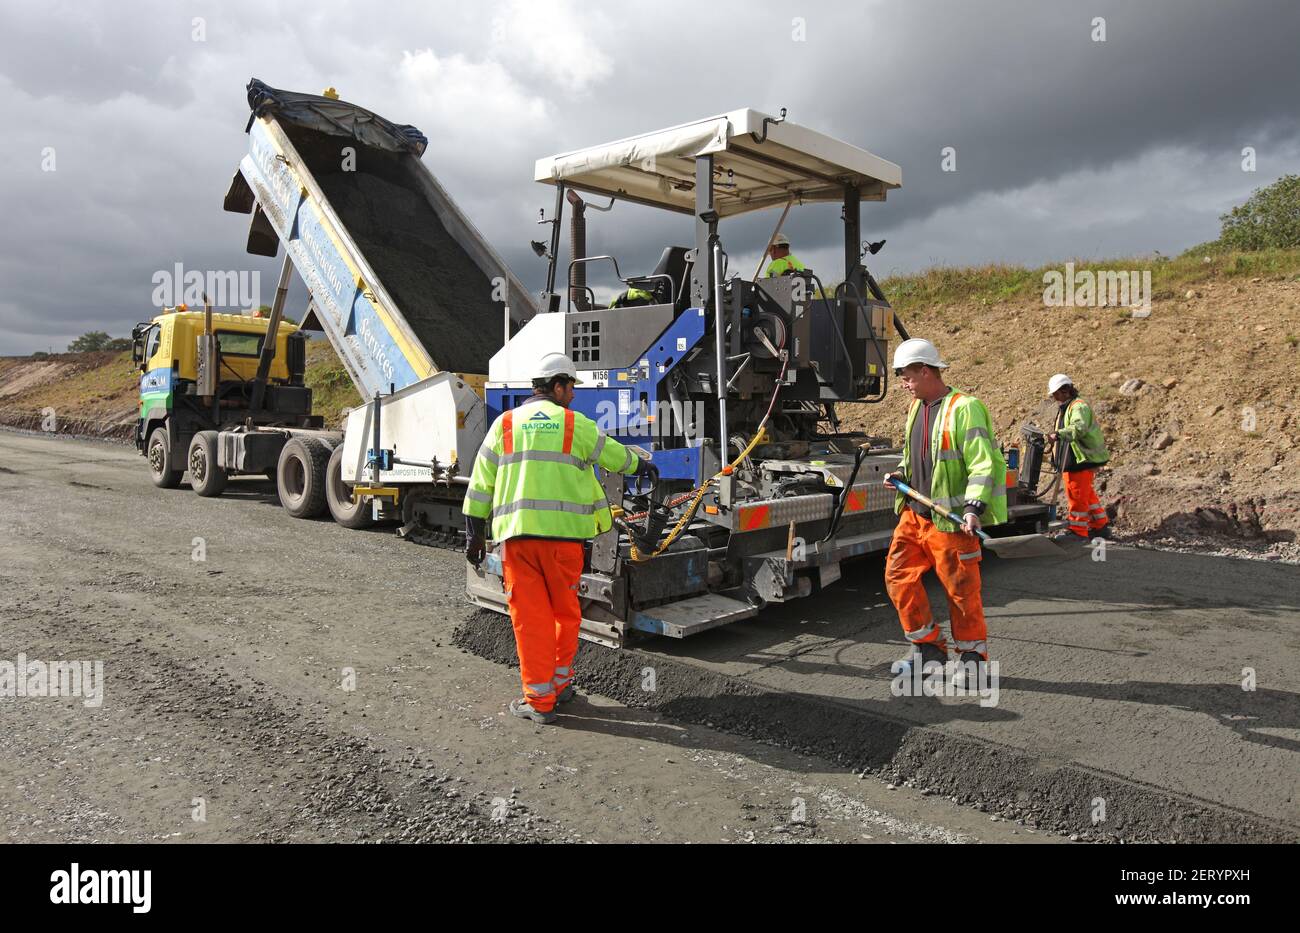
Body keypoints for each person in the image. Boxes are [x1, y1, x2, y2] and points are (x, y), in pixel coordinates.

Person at [463, 353, 656, 724]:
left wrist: (474, 537)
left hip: (519, 542)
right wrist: (643, 466)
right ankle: (559, 687)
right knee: (565, 614)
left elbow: (480, 485)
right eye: (571, 388)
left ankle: (538, 699)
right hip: (565, 544)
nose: (574, 395)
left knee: (530, 618)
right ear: (557, 386)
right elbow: (615, 456)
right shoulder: (573, 425)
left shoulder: (505, 425)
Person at [882, 338, 1007, 686]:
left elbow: (984, 464)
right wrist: (901, 475)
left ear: (925, 370)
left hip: (950, 521)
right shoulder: (916, 407)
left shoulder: (965, 407)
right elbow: (914, 455)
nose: (903, 383)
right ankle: (927, 648)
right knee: (898, 578)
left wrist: (973, 507)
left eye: (906, 376)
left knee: (961, 591)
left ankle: (972, 659)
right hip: (915, 514)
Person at [1046, 373, 1111, 541]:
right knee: (1086, 494)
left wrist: (1058, 434)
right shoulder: (1069, 406)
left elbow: (1079, 428)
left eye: (1056, 394)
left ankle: (1078, 531)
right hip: (1076, 458)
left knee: (1076, 496)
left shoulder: (1078, 407)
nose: (1054, 397)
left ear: (1065, 390)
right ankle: (1100, 525)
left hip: (1080, 459)